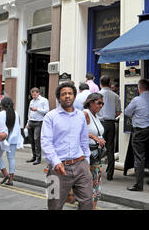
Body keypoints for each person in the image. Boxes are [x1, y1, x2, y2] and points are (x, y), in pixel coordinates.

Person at [41, 82, 93, 210]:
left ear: (74, 96)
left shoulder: (81, 115)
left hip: (80, 165)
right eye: (64, 94)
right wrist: (55, 162)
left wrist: (87, 161)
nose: (67, 96)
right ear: (59, 98)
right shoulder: (50, 117)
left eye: (70, 93)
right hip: (57, 168)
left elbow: (84, 140)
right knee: (54, 205)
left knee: (87, 203)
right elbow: (46, 142)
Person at [125, 79, 149, 192]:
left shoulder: (136, 100)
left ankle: (138, 185)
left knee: (139, 157)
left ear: (139, 88)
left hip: (140, 131)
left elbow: (127, 112)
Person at [83, 93, 106, 210]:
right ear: (91, 102)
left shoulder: (95, 115)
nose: (101, 105)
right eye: (99, 103)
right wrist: (94, 137)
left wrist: (100, 139)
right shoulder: (85, 114)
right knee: (88, 185)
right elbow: (77, 132)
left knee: (96, 185)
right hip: (87, 156)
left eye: (102, 103)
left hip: (96, 155)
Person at [0, 97, 24, 186]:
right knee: (11, 158)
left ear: (2, 105)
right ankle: (10, 180)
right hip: (13, 139)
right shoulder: (16, 113)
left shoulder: (1, 114)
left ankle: (5, 174)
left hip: (3, 139)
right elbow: (18, 127)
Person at [97, 75, 121, 181]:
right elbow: (118, 112)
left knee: (97, 147)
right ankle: (110, 173)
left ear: (100, 83)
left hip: (100, 123)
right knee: (110, 148)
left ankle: (96, 171)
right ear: (109, 83)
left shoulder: (96, 95)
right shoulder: (115, 96)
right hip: (111, 123)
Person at [25, 87, 49, 165]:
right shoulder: (32, 101)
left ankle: (38, 158)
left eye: (35, 95)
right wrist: (27, 123)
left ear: (38, 93)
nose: (34, 96)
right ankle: (34, 156)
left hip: (39, 122)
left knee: (36, 139)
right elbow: (29, 112)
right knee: (31, 140)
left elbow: (47, 111)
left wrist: (37, 109)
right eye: (32, 95)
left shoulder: (44, 100)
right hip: (31, 122)